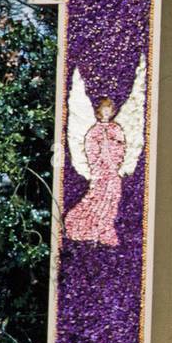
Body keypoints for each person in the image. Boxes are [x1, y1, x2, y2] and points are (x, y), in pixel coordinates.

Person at [64, 97, 126, 247]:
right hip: (100, 172)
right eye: (104, 109)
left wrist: (113, 158)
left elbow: (121, 147)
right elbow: (91, 150)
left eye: (109, 109)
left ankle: (105, 228)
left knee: (113, 196)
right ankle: (90, 227)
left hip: (112, 171)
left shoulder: (116, 129)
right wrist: (99, 162)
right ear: (99, 111)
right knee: (97, 197)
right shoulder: (94, 131)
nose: (106, 112)